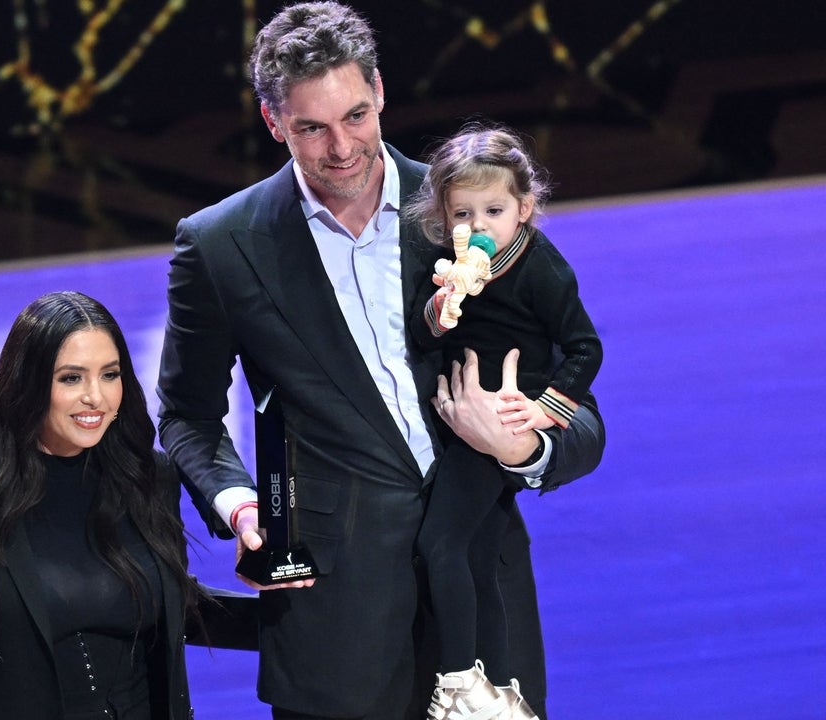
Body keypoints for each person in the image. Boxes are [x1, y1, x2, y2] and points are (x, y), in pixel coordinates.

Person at [154, 3, 605, 719]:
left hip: (487, 617)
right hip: (335, 622)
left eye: (356, 116)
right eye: (311, 127)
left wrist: (522, 444)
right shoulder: (219, 246)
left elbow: (582, 418)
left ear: (381, 92)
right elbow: (186, 416)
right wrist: (241, 507)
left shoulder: (473, 212)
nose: (342, 148)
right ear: (274, 122)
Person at [0, 290, 256, 720]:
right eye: (71, 378)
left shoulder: (147, 478)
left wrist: (292, 612)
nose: (96, 397)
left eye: (109, 375)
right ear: (27, 383)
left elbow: (169, 607)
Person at [405, 124, 603, 719]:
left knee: (442, 544)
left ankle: (460, 681)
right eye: (463, 213)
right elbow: (425, 333)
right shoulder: (449, 261)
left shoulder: (542, 268)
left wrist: (547, 411)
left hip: (493, 424)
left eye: (494, 209)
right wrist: (438, 315)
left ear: (525, 206)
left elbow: (585, 348)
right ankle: (497, 692)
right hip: (462, 420)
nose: (478, 225)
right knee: (477, 552)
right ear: (443, 215)